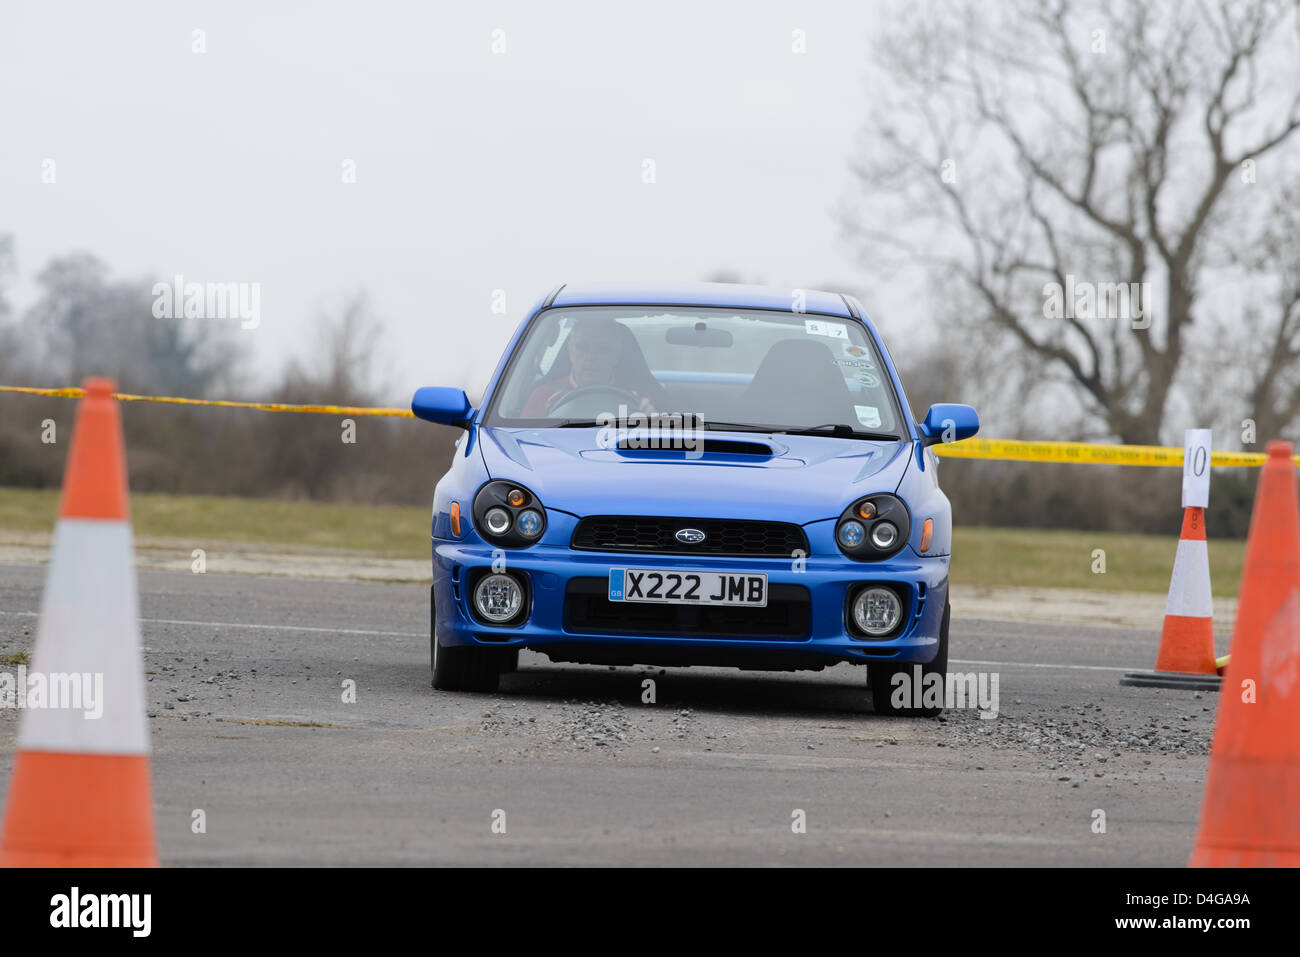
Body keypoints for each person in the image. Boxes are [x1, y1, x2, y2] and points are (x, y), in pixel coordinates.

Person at [521, 318, 658, 416]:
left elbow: (656, 445)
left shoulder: (638, 399)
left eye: (603, 349)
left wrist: (651, 423)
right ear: (570, 351)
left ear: (617, 355)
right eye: (582, 347)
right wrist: (547, 419)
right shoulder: (543, 395)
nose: (591, 357)